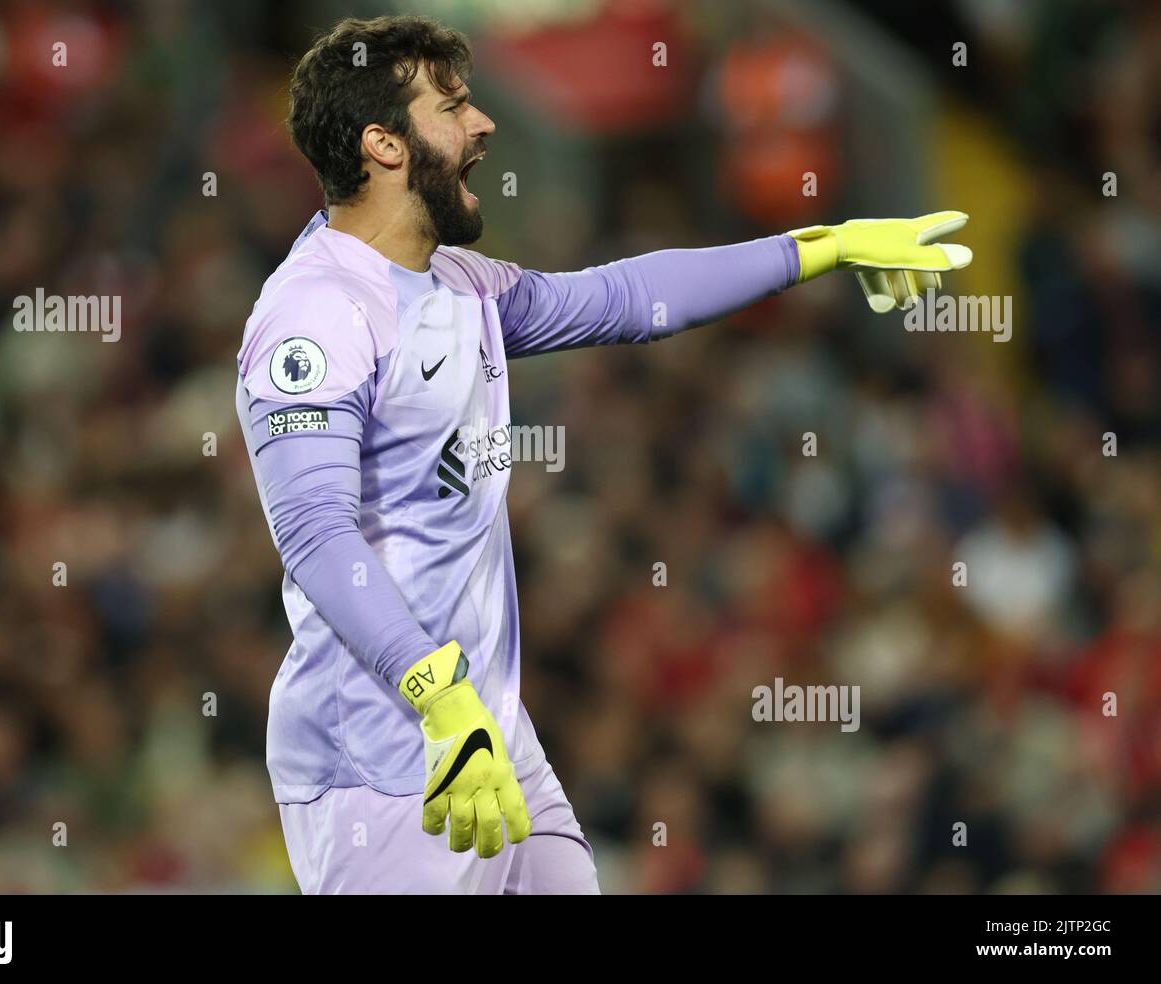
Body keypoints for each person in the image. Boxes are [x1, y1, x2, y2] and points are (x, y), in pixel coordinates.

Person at [235, 14, 971, 894]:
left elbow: (626, 295)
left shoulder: (462, 288)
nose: (485, 124)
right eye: (454, 105)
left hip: (488, 732)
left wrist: (823, 246)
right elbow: (316, 537)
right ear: (383, 144)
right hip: (382, 762)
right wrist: (438, 694)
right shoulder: (314, 317)